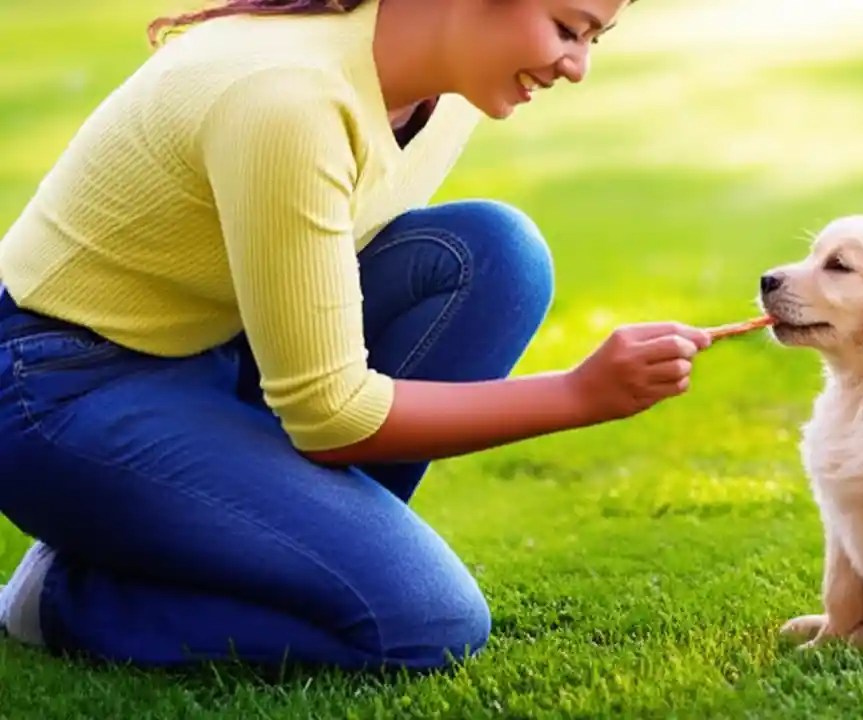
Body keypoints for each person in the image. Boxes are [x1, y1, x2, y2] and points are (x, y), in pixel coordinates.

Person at [0, 0, 712, 673]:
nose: (577, 65)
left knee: (496, 255)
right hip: (58, 387)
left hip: (207, 349)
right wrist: (579, 395)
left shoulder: (439, 94)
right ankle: (67, 596)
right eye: (566, 27)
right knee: (427, 623)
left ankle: (286, 552)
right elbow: (331, 418)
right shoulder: (287, 99)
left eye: (593, 38)